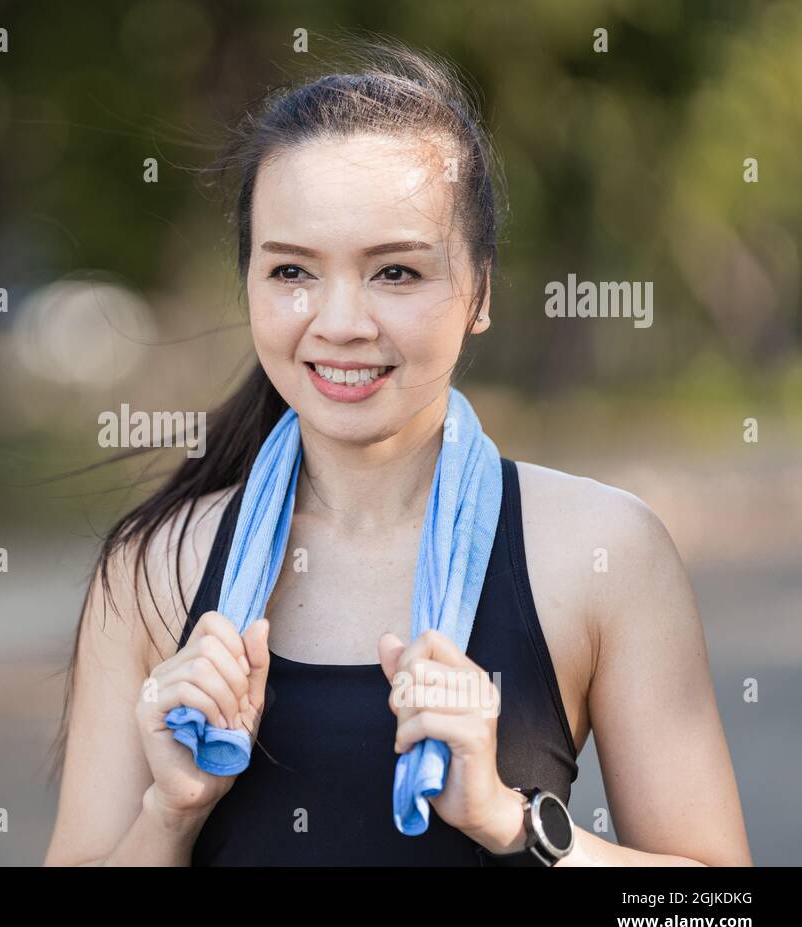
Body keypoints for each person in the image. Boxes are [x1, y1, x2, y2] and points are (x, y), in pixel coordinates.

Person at [43, 38, 751, 866]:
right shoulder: (153, 569)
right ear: (250, 286)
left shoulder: (605, 554)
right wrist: (171, 810)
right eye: (292, 272)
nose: (339, 321)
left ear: (480, 291)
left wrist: (508, 822)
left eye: (396, 273)